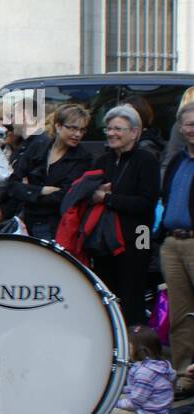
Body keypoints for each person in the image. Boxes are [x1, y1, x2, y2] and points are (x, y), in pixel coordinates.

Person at [92, 105, 161, 326]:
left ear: (134, 132)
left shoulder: (146, 160)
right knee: (108, 294)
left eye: (118, 129)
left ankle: (136, 347)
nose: (112, 133)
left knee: (133, 293)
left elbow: (145, 203)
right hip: (106, 239)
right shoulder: (103, 161)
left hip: (138, 236)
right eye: (109, 128)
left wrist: (107, 198)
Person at [5, 103, 92, 241]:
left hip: (56, 225)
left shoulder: (83, 157)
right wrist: (42, 190)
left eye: (82, 130)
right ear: (58, 126)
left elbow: (65, 196)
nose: (78, 134)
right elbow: (12, 184)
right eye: (73, 128)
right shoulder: (38, 147)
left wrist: (28, 190)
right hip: (26, 222)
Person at [160, 101, 194, 397]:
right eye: (188, 124)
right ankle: (184, 375)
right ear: (180, 129)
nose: (192, 129)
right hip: (172, 242)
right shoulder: (177, 161)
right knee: (180, 314)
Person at [103, 326, 174, 414]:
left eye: (127, 347)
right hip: (148, 407)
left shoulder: (144, 373)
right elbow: (135, 389)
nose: (124, 349)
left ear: (140, 350)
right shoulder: (156, 365)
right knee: (109, 400)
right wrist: (117, 391)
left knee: (104, 413)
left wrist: (112, 402)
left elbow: (133, 403)